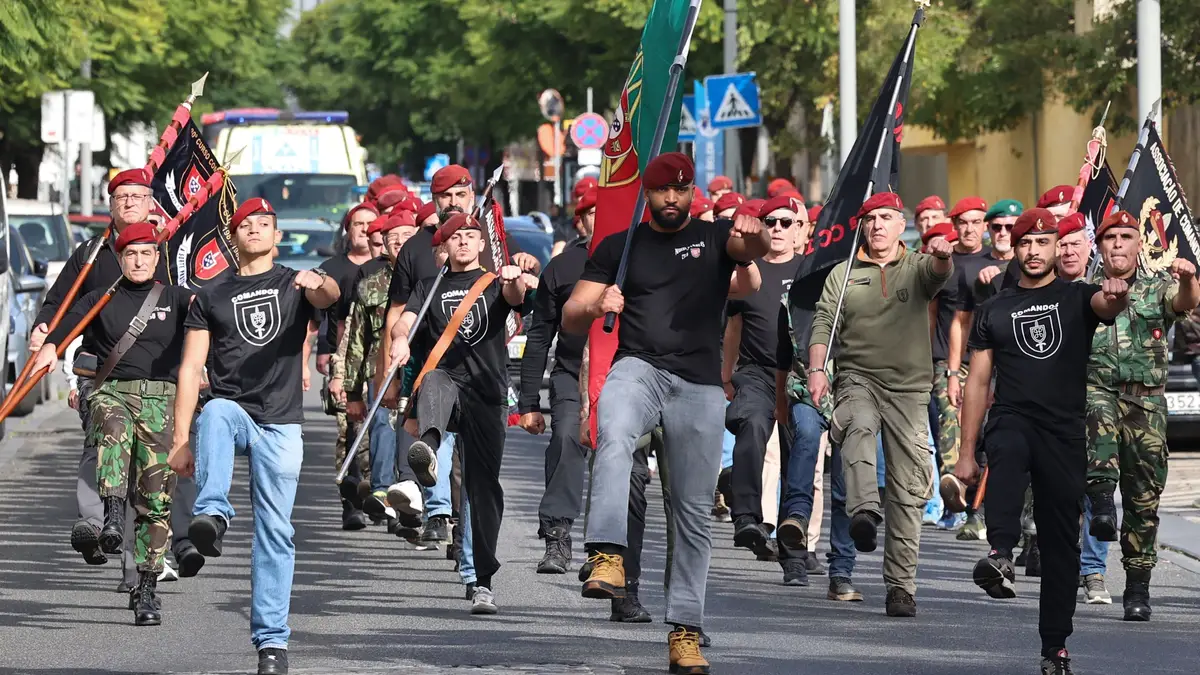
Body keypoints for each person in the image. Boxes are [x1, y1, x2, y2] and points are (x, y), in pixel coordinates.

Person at [563, 151, 767, 674]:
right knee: (614, 434)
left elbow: (752, 254)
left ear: (692, 192)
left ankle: (685, 633)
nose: (672, 199)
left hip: (699, 384)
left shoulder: (718, 236)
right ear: (647, 196)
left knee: (693, 512)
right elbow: (570, 315)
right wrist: (596, 304)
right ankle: (608, 556)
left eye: (681, 191)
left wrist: (755, 232)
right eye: (661, 192)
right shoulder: (621, 246)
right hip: (640, 367)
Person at [168, 197, 340, 675]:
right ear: (233, 235)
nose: (257, 230)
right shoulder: (212, 295)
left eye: (265, 224)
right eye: (247, 224)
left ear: (276, 235)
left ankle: (272, 645)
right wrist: (182, 438)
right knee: (217, 410)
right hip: (237, 412)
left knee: (276, 533)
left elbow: (329, 297)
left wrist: (318, 281)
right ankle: (213, 513)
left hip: (282, 423)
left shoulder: (293, 283)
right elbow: (190, 367)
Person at [955, 207, 1129, 675]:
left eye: (1043, 242)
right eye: (1025, 243)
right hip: (1013, 416)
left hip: (1064, 432)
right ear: (1015, 246)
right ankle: (1000, 553)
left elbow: (1107, 307)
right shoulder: (994, 308)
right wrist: (967, 453)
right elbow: (977, 382)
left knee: (1060, 548)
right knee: (1007, 448)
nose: (1033, 251)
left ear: (1058, 247)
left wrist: (1116, 290)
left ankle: (1055, 648)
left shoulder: (1077, 296)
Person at [31, 221, 193, 625]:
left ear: (158, 259)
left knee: (156, 501)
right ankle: (112, 514)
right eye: (131, 254)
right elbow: (68, 325)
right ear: (120, 259)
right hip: (112, 391)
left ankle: (146, 589)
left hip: (161, 400)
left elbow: (215, 321)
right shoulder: (101, 298)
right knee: (111, 426)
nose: (138, 261)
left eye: (146, 254)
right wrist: (52, 346)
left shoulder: (177, 298)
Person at [808, 192, 954, 617]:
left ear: (900, 223)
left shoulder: (916, 267)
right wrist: (818, 369)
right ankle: (864, 513)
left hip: (909, 390)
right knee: (854, 424)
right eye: (869, 219)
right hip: (858, 378)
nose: (877, 226)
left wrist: (943, 255)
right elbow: (822, 321)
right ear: (862, 227)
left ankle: (901, 587)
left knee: (909, 490)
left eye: (886, 218)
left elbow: (938, 274)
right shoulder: (844, 272)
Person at [31, 168, 174, 578]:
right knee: (101, 444)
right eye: (121, 196)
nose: (128, 203)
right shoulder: (92, 253)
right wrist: (47, 334)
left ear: (151, 203)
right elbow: (60, 304)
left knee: (150, 477)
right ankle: (95, 524)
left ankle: (141, 570)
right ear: (110, 204)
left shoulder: (167, 251)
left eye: (137, 196)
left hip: (158, 378)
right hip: (102, 375)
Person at [389, 212, 527, 615]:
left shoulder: (495, 284)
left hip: (487, 394)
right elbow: (406, 323)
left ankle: (481, 582)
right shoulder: (428, 287)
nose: (464, 242)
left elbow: (518, 299)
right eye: (455, 237)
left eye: (471, 236)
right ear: (443, 248)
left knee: (483, 491)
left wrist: (514, 279)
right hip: (447, 385)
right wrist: (400, 340)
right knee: (433, 380)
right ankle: (428, 449)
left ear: (482, 244)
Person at [1083, 209, 1198, 621]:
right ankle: (1099, 505)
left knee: (1144, 500)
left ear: (1138, 245)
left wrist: (1187, 277)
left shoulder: (1158, 288)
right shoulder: (1085, 290)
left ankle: (1137, 585)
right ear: (1100, 245)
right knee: (1097, 416)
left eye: (1126, 237)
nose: (1117, 244)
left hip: (1147, 403)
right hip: (1099, 390)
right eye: (1110, 237)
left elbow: (1186, 301)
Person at [519, 188, 594, 574]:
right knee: (566, 439)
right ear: (580, 221)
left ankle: (605, 551)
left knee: (623, 462)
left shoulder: (640, 261)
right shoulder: (563, 267)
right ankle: (557, 538)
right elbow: (539, 338)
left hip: (627, 376)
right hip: (568, 374)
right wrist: (528, 403)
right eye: (595, 212)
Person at [724, 194, 803, 560]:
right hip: (756, 373)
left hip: (800, 375)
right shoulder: (747, 270)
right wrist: (726, 376)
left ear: (799, 228)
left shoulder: (810, 271)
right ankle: (746, 518)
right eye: (771, 223)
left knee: (798, 448)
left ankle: (794, 547)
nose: (778, 229)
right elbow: (733, 328)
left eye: (786, 223)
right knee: (752, 425)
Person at [340, 211, 421, 533]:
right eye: (393, 238)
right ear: (383, 244)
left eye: (406, 236)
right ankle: (382, 492)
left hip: (421, 367)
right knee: (383, 432)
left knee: (413, 434)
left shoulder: (429, 276)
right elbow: (355, 340)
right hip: (381, 368)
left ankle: (414, 502)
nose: (400, 243)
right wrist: (351, 392)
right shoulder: (370, 283)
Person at [930, 197, 990, 534]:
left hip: (991, 362)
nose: (969, 228)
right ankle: (955, 486)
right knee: (951, 418)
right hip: (949, 361)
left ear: (984, 225)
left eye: (975, 222)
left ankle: (977, 509)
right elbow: (932, 312)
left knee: (985, 434)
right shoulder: (945, 261)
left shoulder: (996, 260)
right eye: (962, 222)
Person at [320, 200, 379, 530]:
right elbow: (335, 323)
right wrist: (333, 366)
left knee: (379, 434)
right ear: (348, 230)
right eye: (359, 224)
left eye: (372, 223)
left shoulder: (390, 269)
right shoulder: (335, 268)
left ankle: (377, 493)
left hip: (383, 363)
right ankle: (351, 502)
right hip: (346, 359)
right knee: (350, 432)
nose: (366, 229)